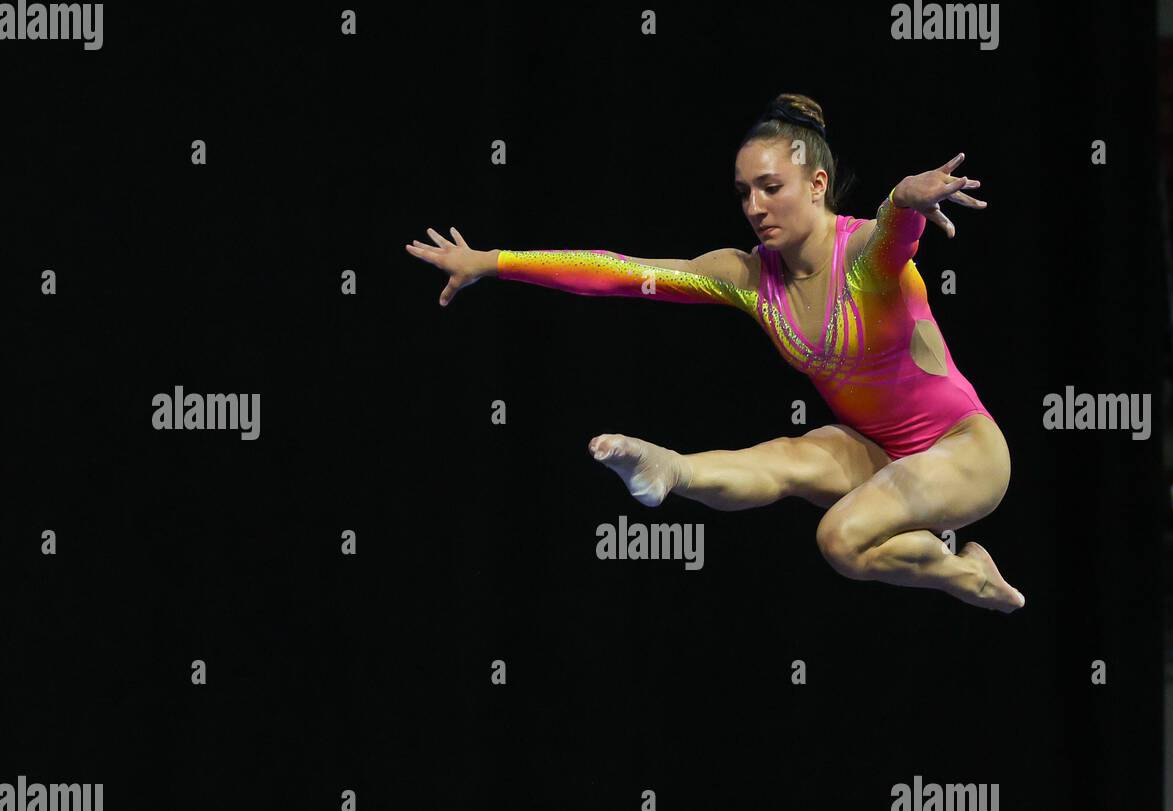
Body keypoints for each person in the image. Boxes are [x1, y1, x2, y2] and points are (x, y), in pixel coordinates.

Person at [406, 94, 1024, 612]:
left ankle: (962, 574)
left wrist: (905, 202)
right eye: (743, 192)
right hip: (875, 451)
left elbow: (893, 234)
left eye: (770, 187)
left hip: (962, 449)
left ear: (817, 183)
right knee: (789, 456)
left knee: (840, 538)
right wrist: (492, 262)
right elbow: (623, 272)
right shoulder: (748, 277)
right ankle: (670, 468)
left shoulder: (862, 254)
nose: (754, 208)